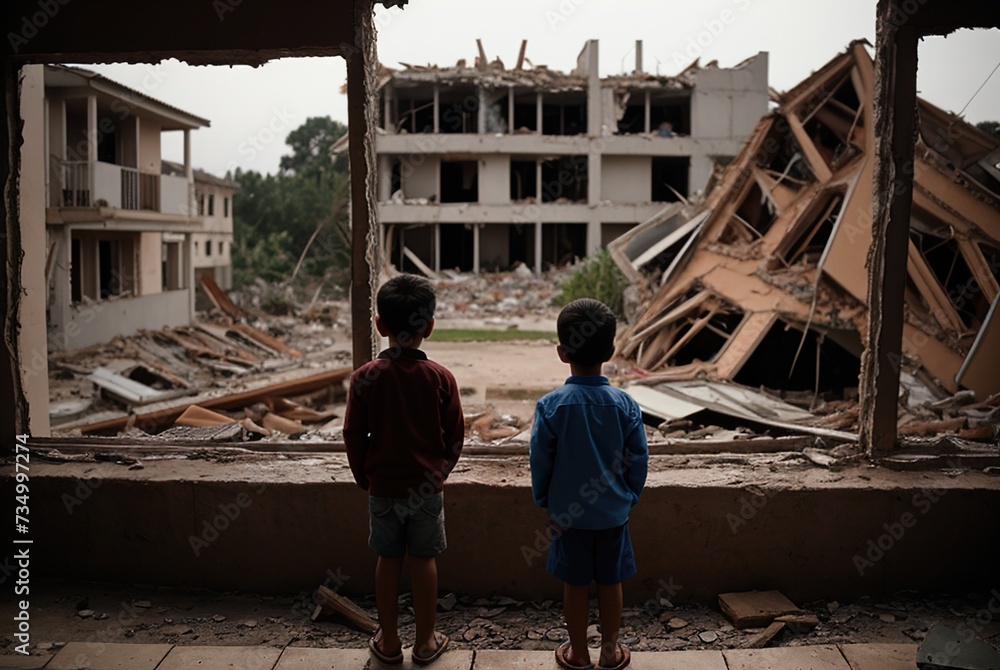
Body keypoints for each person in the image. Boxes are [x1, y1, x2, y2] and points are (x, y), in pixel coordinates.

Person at [344, 274, 464, 666]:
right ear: (429, 326)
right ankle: (426, 641)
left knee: (388, 558)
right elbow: (455, 435)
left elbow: (352, 434)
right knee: (424, 559)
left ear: (380, 325)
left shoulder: (365, 377)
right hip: (427, 489)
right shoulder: (440, 378)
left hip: (382, 488)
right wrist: (439, 473)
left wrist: (365, 476)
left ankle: (390, 641)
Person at [530, 298, 649, 670]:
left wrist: (546, 498)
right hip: (613, 515)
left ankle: (578, 652)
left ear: (562, 353)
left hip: (568, 516)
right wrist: (629, 497)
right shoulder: (625, 404)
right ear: (611, 351)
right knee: (611, 582)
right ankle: (610, 650)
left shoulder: (551, 406)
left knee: (575, 583)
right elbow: (639, 457)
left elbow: (540, 459)